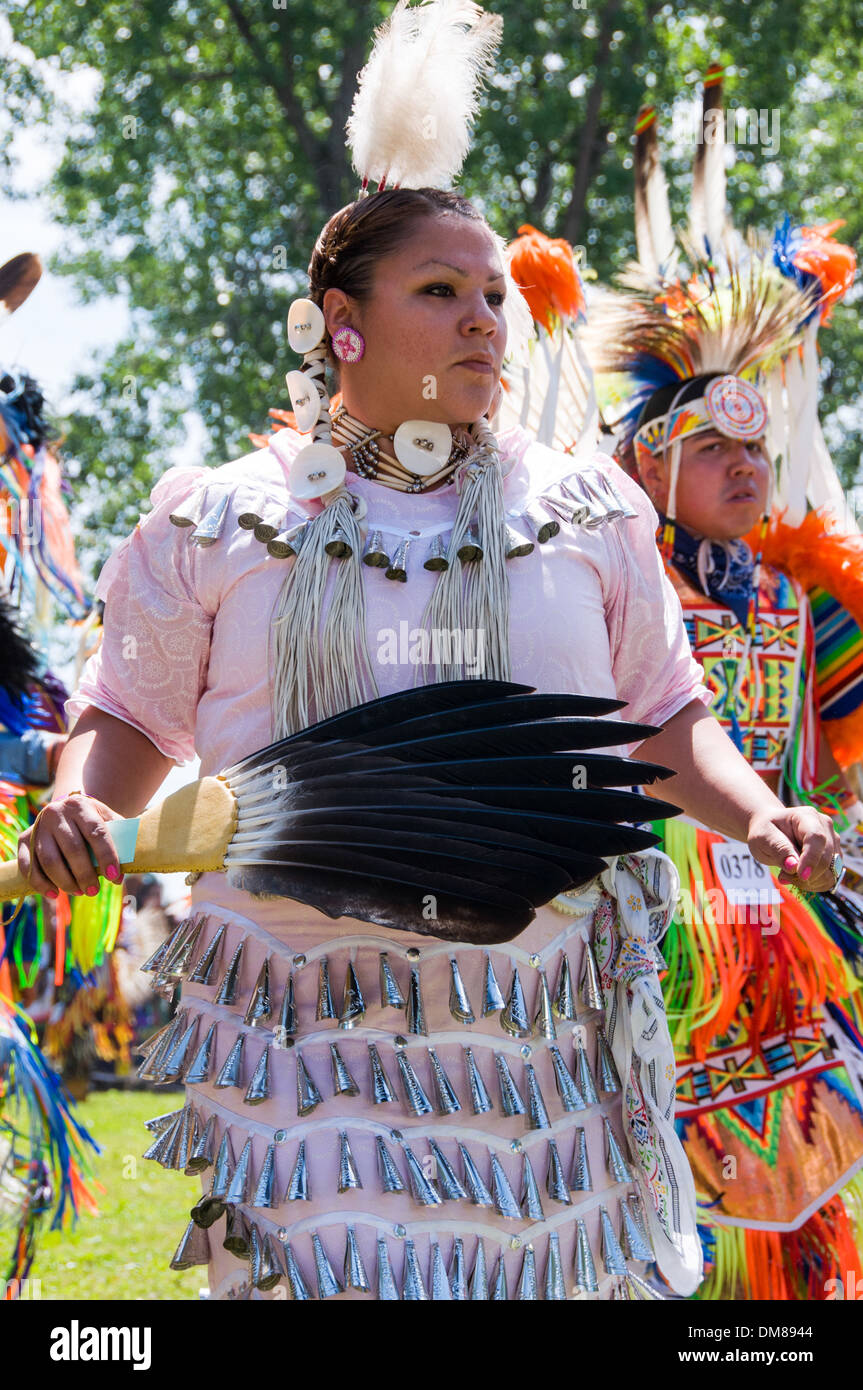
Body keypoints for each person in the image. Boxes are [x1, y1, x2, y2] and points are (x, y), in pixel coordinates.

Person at [13, 3, 843, 1301]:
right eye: (439, 292)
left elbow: (664, 721)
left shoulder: (589, 511)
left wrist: (755, 812)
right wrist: (77, 804)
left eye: (493, 297)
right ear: (340, 320)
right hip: (303, 1059)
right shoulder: (216, 517)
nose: (482, 323)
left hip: (549, 1052)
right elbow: (128, 716)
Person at [588, 80, 863, 1299]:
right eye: (713, 447)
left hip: (783, 902)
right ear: (651, 461)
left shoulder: (801, 597)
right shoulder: (607, 577)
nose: (746, 466)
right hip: (643, 904)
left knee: (800, 1167)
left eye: (756, 446)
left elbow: (825, 761)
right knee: (646, 1170)